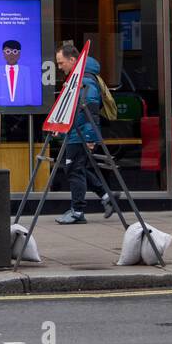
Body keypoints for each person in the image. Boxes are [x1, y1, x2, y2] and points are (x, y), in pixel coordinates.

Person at [54, 41, 116, 224]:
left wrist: (90, 137)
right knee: (75, 167)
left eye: (61, 62)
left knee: (74, 169)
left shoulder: (85, 80)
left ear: (72, 60)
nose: (59, 67)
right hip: (75, 132)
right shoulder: (78, 78)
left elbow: (90, 111)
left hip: (80, 133)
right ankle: (105, 196)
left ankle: (78, 212)